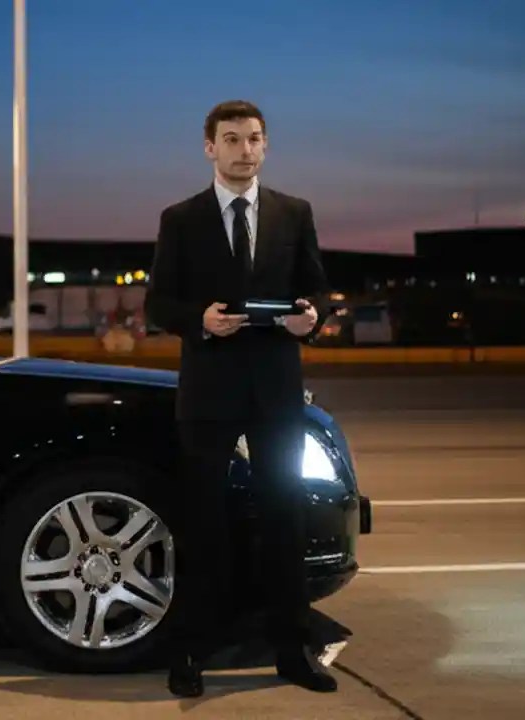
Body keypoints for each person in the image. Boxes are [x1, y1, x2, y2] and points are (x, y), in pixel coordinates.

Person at [143, 100, 336, 697]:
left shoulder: (294, 212)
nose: (244, 150)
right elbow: (157, 305)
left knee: (286, 518)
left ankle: (293, 653)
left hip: (276, 387)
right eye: (231, 139)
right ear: (209, 148)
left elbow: (315, 291)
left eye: (254, 139)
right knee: (203, 526)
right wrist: (198, 319)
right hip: (208, 390)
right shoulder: (181, 218)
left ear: (265, 145)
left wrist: (313, 319)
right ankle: (192, 652)